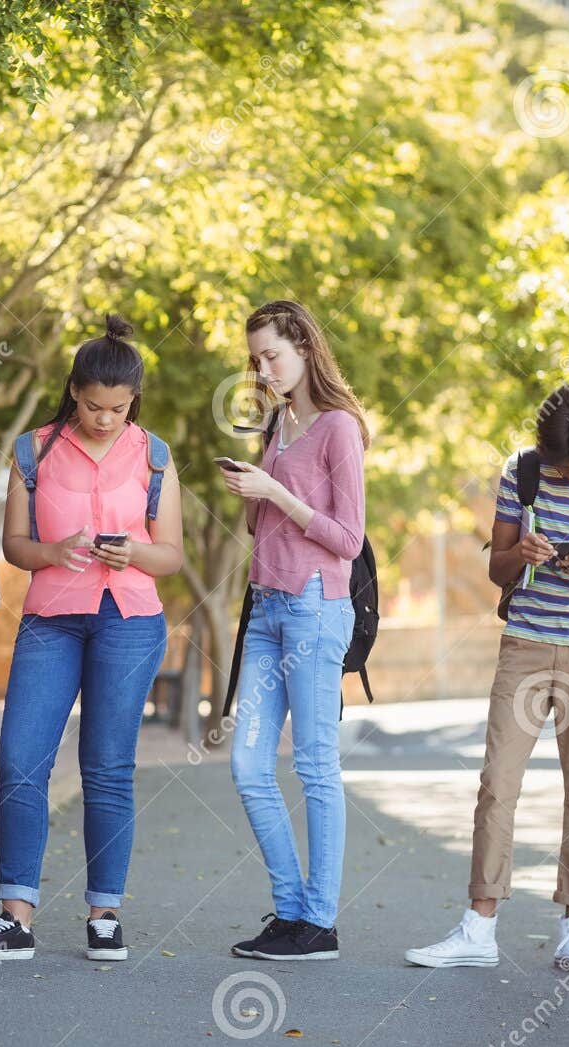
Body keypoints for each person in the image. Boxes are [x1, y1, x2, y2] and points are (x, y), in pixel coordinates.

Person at [405, 385, 569, 974]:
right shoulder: (521, 470)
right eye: (561, 465)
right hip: (525, 645)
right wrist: (522, 551)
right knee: (497, 783)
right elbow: (496, 567)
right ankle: (479, 928)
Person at [0, 315, 181, 963]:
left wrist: (131, 552)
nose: (104, 417)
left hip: (130, 621)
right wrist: (53, 549)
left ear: (132, 400)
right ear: (73, 391)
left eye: (118, 407)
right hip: (51, 619)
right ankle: (15, 917)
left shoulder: (156, 456)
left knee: (107, 767)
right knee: (20, 760)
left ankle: (104, 914)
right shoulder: (33, 451)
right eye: (91, 405)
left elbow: (171, 554)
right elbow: (15, 546)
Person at [218, 299, 368, 962]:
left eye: (272, 354)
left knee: (313, 765)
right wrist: (253, 496)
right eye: (255, 358)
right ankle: (290, 910)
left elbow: (347, 537)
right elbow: (265, 527)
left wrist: (275, 493)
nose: (264, 368)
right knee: (248, 765)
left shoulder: (339, 427)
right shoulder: (277, 421)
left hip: (314, 606)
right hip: (267, 606)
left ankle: (320, 921)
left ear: (305, 345)